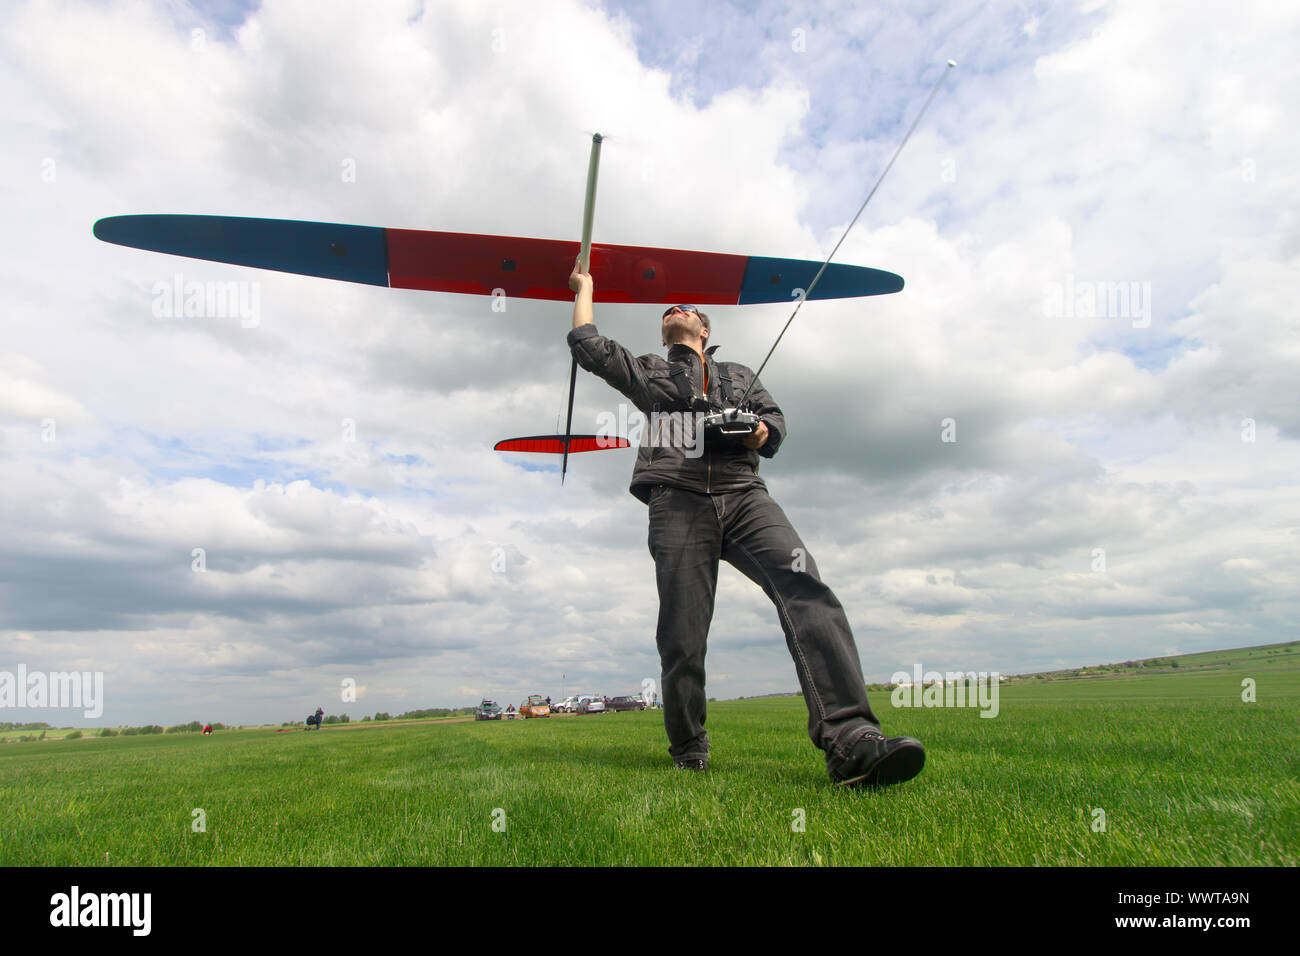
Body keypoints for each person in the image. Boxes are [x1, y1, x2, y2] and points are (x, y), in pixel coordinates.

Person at [566, 259, 924, 788]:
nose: (674, 310)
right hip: (678, 499)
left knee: (806, 586)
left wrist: (759, 430)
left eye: (685, 308)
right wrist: (585, 287)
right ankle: (689, 746)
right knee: (682, 635)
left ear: (705, 328)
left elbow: (775, 420)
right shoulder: (650, 368)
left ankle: (852, 741)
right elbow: (589, 345)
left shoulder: (740, 374)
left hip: (743, 494)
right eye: (667, 310)